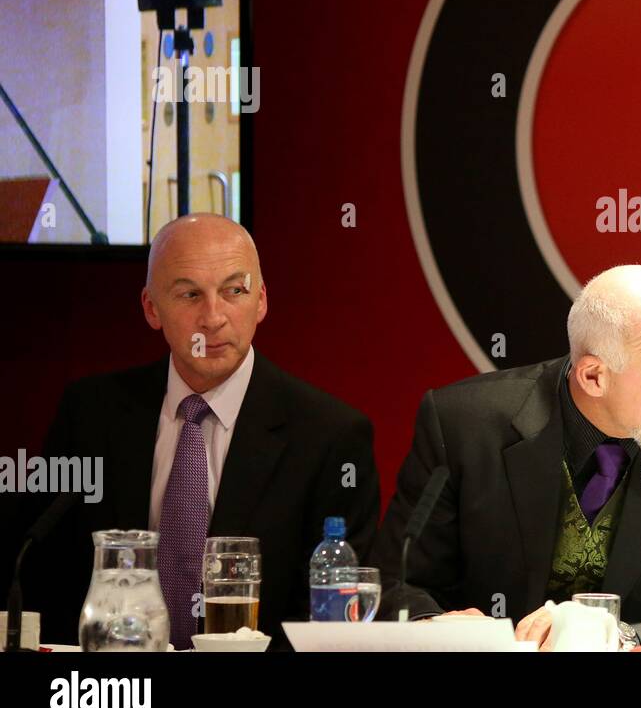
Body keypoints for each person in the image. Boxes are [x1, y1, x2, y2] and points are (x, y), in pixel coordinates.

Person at [372, 264, 641, 648]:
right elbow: (396, 581)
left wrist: (616, 634)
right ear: (594, 376)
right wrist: (430, 623)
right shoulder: (462, 426)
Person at [26, 214, 380, 648]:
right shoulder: (91, 413)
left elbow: (331, 623)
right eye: (190, 294)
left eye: (234, 291)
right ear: (151, 308)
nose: (213, 318)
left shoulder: (330, 436)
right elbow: (41, 570)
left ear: (262, 300)